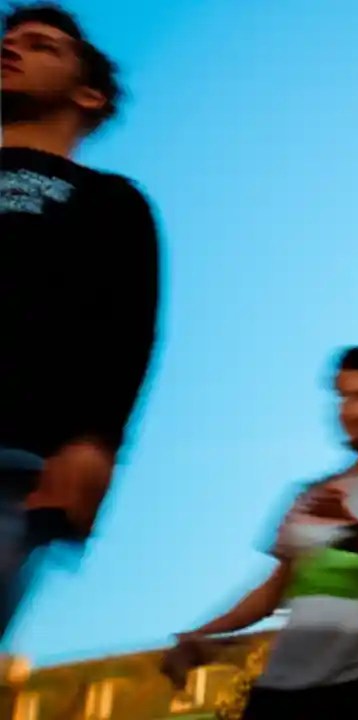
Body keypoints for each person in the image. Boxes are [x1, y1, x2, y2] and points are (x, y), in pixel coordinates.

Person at [163, 347, 358, 719]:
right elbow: (272, 592)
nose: (349, 410)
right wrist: (203, 634)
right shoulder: (307, 497)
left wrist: (355, 530)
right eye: (343, 397)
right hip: (284, 686)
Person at [0, 3, 161, 642]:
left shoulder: (110, 204)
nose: (11, 48)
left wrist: (96, 442)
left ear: (88, 93)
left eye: (42, 45)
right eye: (9, 40)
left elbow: (124, 328)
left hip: (13, 471)